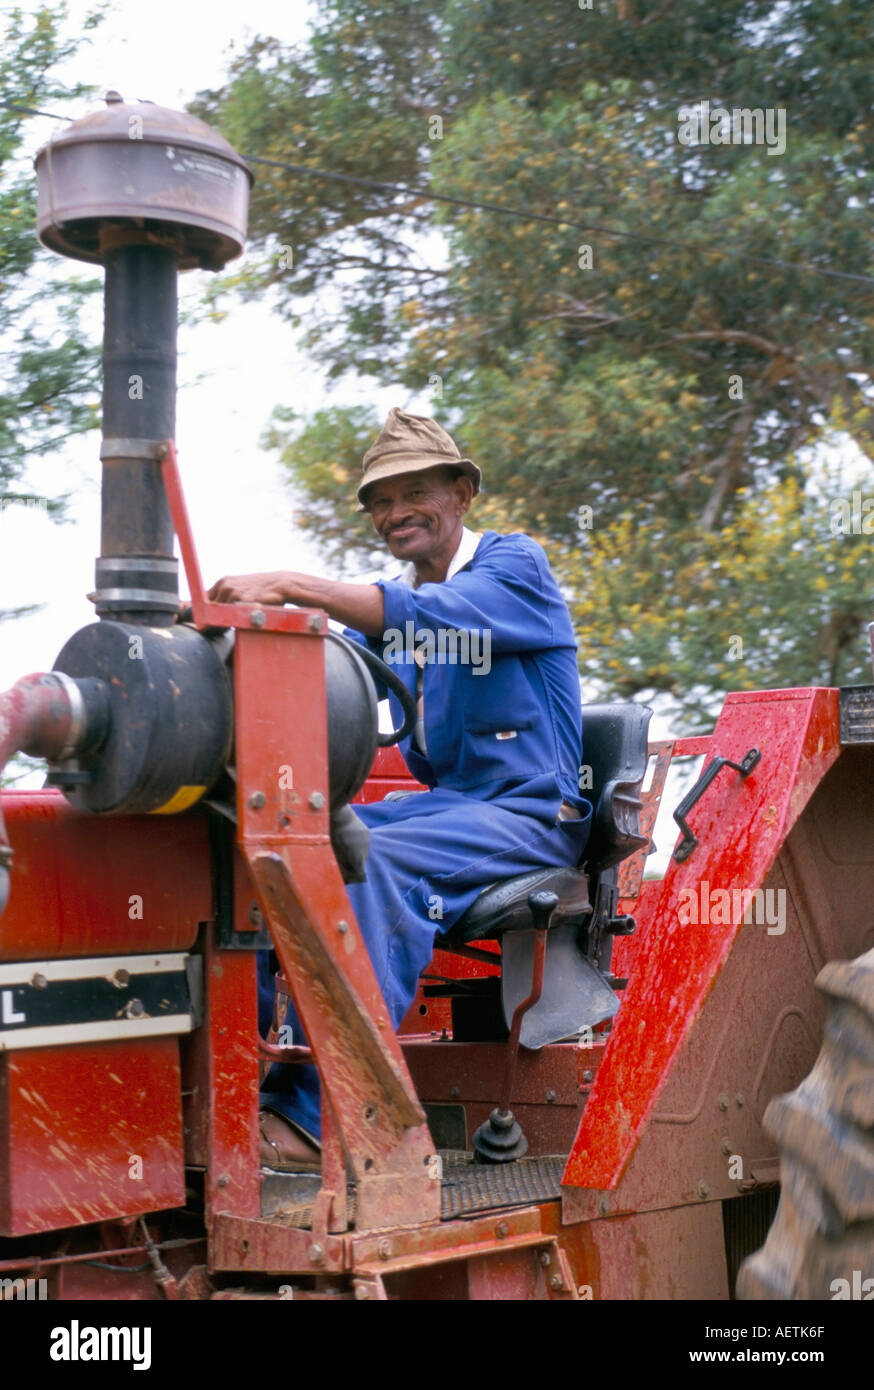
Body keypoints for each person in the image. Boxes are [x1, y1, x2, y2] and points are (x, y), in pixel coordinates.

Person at [208, 407, 592, 1168]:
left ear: (460, 492)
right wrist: (218, 649)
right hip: (452, 808)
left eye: (412, 491)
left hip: (532, 814)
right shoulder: (394, 609)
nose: (392, 513)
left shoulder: (514, 569)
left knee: (370, 859)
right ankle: (240, 1085)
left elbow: (423, 613)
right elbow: (331, 685)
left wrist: (287, 584)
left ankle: (333, 1119)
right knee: (271, 849)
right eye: (380, 501)